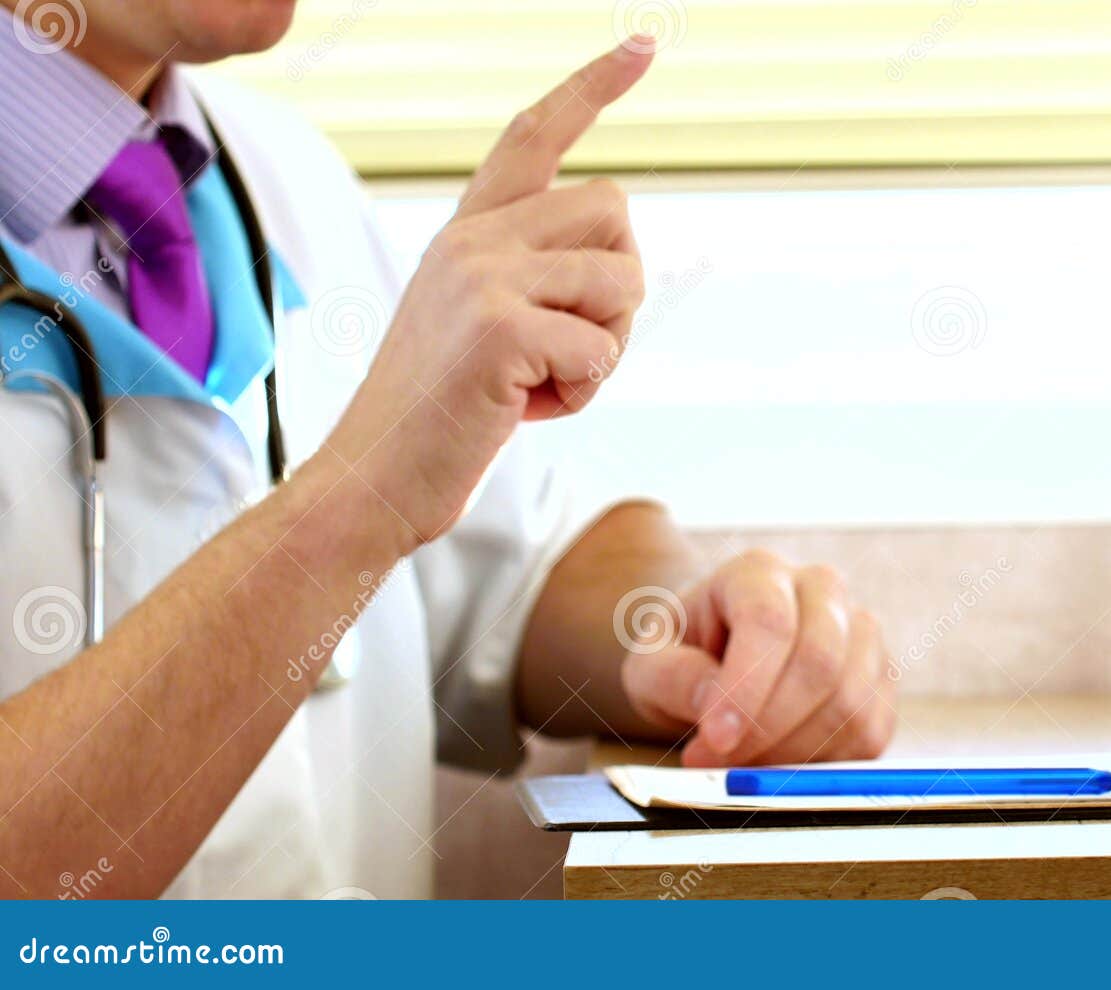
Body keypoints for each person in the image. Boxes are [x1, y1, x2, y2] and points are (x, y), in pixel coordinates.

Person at [0, 0, 895, 899]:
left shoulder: (282, 174)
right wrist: (357, 502)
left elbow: (514, 566)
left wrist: (716, 645)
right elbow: (374, 504)